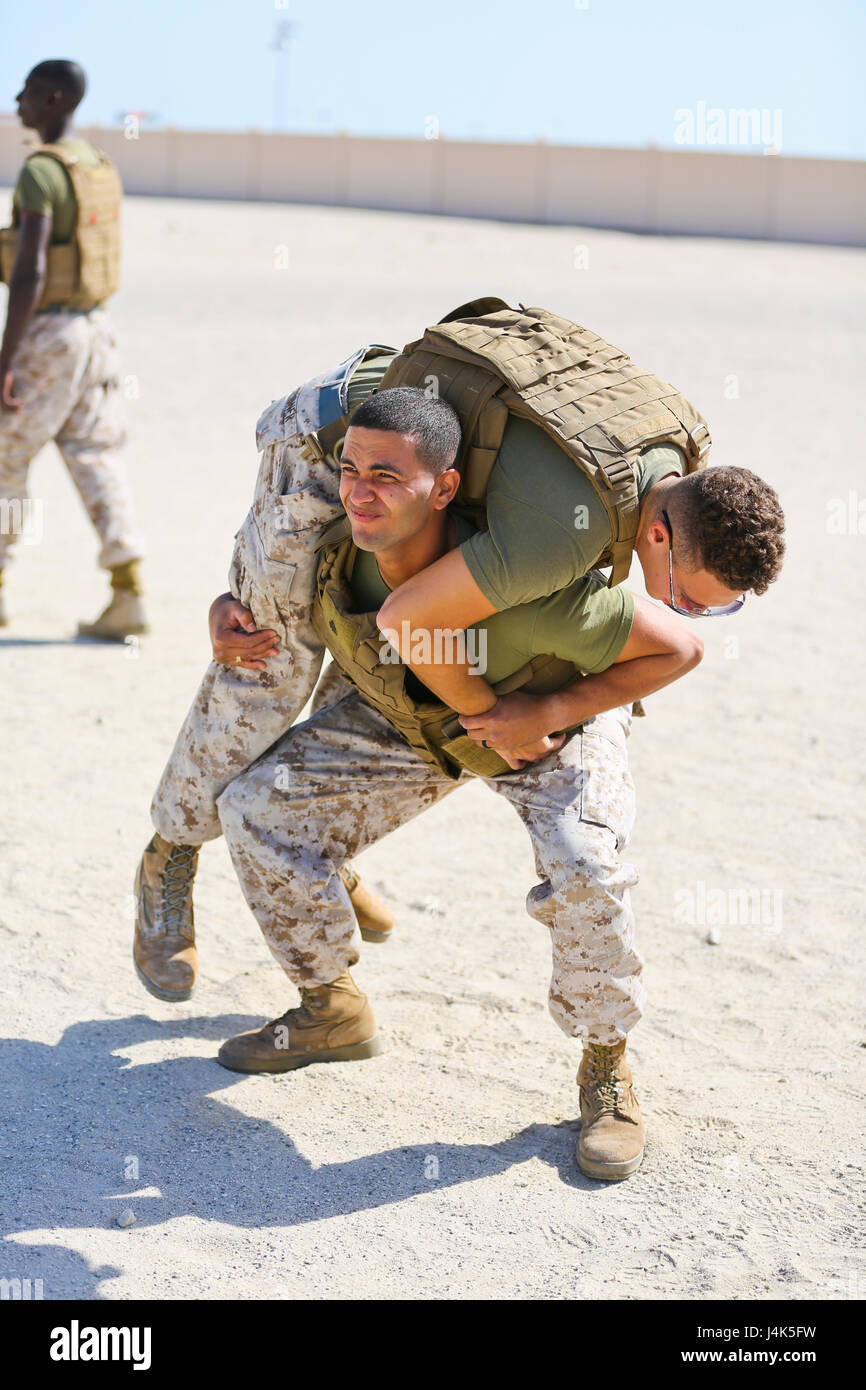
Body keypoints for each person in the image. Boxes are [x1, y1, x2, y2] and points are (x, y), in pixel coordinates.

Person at [213, 386, 723, 1182]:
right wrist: (225, 607)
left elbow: (678, 648)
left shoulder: (533, 586)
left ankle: (607, 1069)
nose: (360, 491)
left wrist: (548, 707)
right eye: (352, 470)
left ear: (446, 488)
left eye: (388, 476)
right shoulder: (340, 539)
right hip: (421, 720)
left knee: (586, 865)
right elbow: (265, 572)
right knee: (255, 807)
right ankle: (331, 1008)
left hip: (545, 728)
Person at [134, 349, 397, 1004]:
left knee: (381, 664)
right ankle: (171, 852)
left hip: (430, 474)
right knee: (266, 654)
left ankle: (322, 853)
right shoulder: (326, 457)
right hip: (323, 435)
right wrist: (237, 598)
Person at [0, 60, 146, 638]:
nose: (18, 101)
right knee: (96, 455)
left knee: (6, 460)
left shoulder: (42, 170)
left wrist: (6, 359)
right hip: (97, 332)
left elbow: (31, 271)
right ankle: (128, 592)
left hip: (50, 335)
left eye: (28, 94)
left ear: (54, 99)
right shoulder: (98, 165)